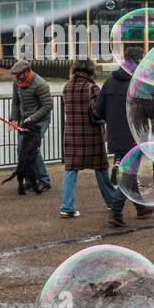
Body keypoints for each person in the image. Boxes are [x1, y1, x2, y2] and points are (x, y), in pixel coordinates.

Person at [93, 45, 154, 226]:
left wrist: (112, 121)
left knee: (127, 172)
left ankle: (140, 208)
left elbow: (98, 110)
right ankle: (115, 212)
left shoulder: (109, 82)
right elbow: (153, 111)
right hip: (134, 136)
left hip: (115, 136)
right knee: (128, 176)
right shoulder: (140, 84)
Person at [59, 59, 121, 219]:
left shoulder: (67, 87)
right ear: (90, 70)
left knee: (70, 170)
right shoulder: (91, 88)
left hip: (72, 135)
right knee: (101, 169)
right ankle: (112, 201)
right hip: (91, 135)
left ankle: (67, 207)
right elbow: (97, 111)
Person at [9, 60, 52, 193]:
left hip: (40, 121)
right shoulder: (16, 83)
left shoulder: (40, 84)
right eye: (15, 75)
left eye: (19, 75)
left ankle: (44, 181)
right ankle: (29, 180)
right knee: (21, 149)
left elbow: (48, 106)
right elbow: (15, 103)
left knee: (32, 149)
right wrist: (14, 119)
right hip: (24, 121)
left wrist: (31, 118)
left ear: (27, 72)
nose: (17, 77)